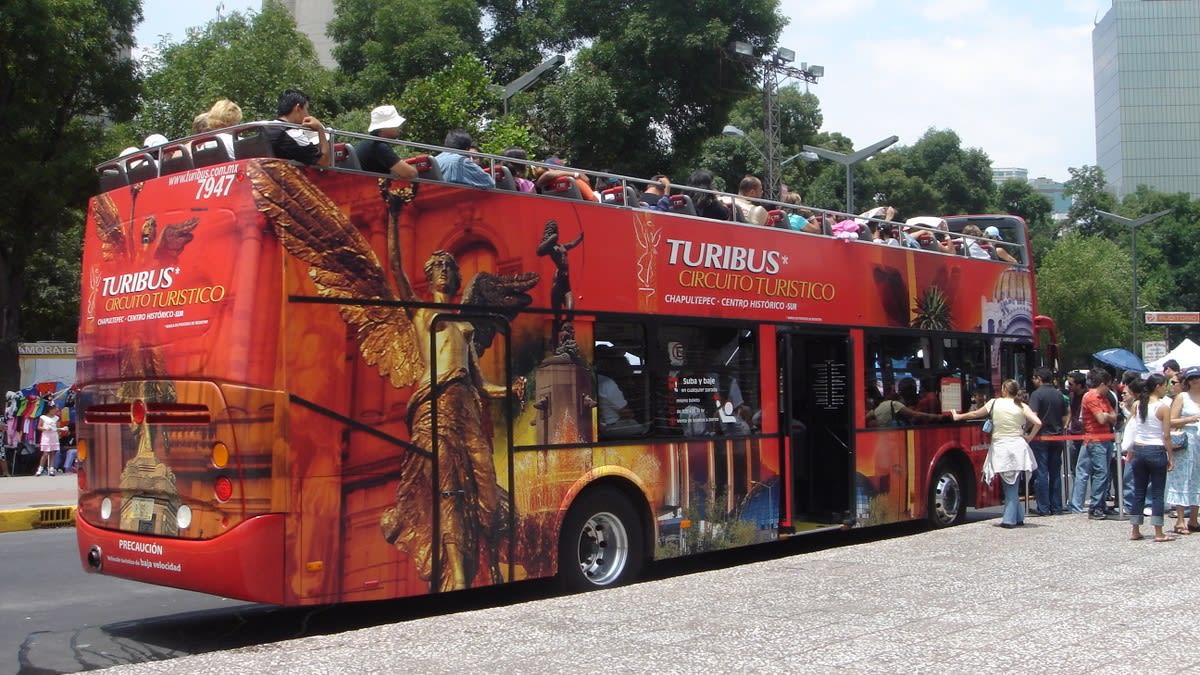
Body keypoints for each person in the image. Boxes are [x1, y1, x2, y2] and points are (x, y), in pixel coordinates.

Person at [952, 379, 1041, 528]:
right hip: (1019, 446)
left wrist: (958, 416)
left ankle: (1009, 520)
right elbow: (1038, 422)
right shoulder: (1022, 405)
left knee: (1009, 484)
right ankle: (1018, 516)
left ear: (1005, 390)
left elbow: (975, 414)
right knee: (1013, 482)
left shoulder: (994, 403)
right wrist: (1028, 437)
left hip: (1001, 446)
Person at [1121, 374, 1176, 541]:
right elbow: (1166, 435)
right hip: (1156, 449)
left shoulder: (1137, 405)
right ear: (1158, 386)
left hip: (1139, 449)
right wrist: (1171, 456)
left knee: (1139, 491)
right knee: (1157, 493)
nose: (1166, 388)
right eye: (1165, 385)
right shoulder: (1163, 407)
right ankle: (1159, 532)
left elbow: (1133, 428)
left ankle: (1135, 529)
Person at [1069, 368, 1118, 519]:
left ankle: (1100, 503)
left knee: (1102, 473)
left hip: (1105, 438)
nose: (1109, 388)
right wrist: (1106, 415)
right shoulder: (1090, 397)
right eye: (1108, 385)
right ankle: (1095, 506)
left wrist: (1106, 415)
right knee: (1100, 473)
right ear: (1102, 384)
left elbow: (1114, 416)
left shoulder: (1104, 398)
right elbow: (1102, 419)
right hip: (1095, 439)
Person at [1028, 368, 1068, 515]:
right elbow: (1065, 417)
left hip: (1041, 437)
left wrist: (1026, 429)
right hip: (1057, 437)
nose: (1033, 381)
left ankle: (1043, 508)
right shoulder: (1059, 394)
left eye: (1034, 378)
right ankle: (1056, 507)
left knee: (1042, 473)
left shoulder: (1036, 395)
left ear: (1039, 378)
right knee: (1056, 473)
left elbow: (1034, 417)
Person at [1166, 366, 1200, 533]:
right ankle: (1180, 520)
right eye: (1192, 378)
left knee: (1197, 478)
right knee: (1182, 477)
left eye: (1197, 377)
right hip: (1187, 440)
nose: (1195, 380)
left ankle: (1194, 519)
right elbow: (1170, 421)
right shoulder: (1182, 397)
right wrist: (1190, 419)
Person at [265, 89, 331, 166]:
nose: (308, 114)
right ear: (298, 108)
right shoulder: (293, 134)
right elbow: (324, 161)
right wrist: (320, 129)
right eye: (306, 109)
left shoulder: (266, 129)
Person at [355, 105, 418, 178]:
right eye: (395, 125)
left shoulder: (367, 142)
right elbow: (411, 174)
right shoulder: (380, 147)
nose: (398, 128)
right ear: (383, 128)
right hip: (376, 187)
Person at [872, 377, 944, 426]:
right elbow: (915, 415)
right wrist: (939, 417)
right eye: (893, 390)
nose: (897, 392)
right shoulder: (896, 404)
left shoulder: (923, 400)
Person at [35, 403, 64, 476]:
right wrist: (45, 428)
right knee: (45, 453)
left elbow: (58, 428)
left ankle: (51, 469)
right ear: (49, 410)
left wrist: (61, 431)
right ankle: (40, 469)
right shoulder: (43, 417)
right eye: (54, 409)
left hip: (54, 436)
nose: (55, 410)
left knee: (52, 453)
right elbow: (39, 427)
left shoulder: (56, 418)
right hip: (46, 436)